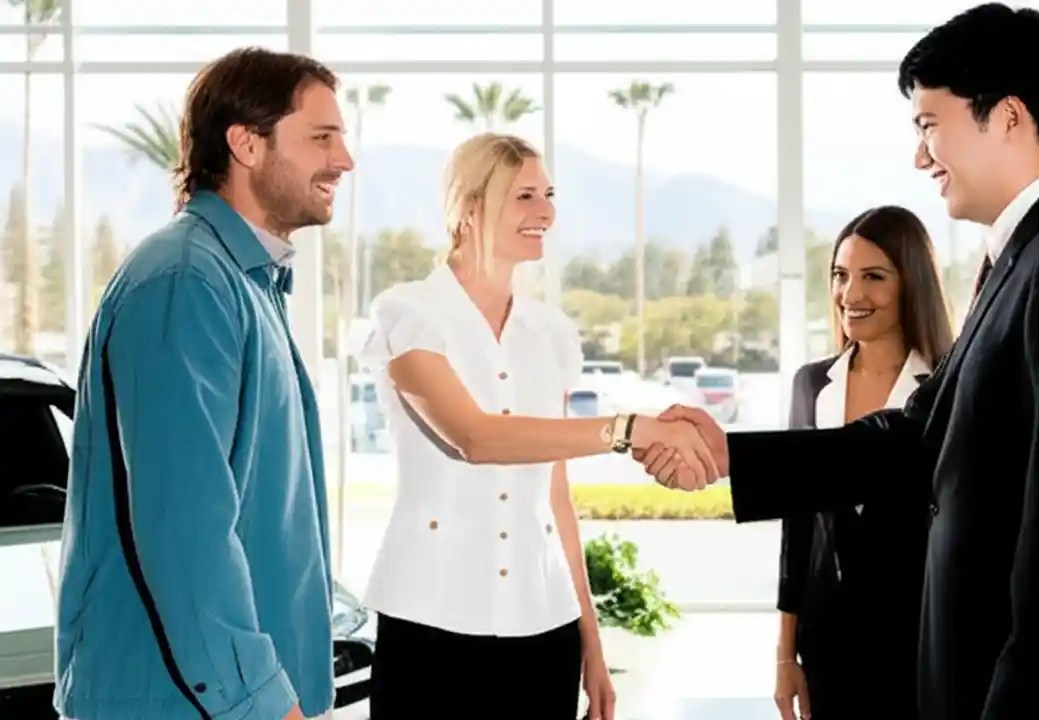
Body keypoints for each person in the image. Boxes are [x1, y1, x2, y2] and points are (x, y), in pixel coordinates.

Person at [641, 4, 1039, 719]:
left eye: (930, 125)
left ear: (1009, 116)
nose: (921, 158)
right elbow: (914, 438)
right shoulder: (1023, 258)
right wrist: (728, 456)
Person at [357, 133, 716, 720]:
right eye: (524, 195)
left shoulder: (550, 333)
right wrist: (631, 429)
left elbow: (555, 498)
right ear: (469, 207)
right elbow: (475, 438)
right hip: (430, 622)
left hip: (545, 628)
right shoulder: (409, 314)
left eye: (548, 195)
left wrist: (591, 644)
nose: (545, 211)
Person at [54, 48, 352, 720]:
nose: (344, 160)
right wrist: (260, 703)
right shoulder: (186, 282)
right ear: (246, 144)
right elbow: (185, 530)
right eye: (322, 137)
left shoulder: (243, 282)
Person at [769, 206, 953, 720]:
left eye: (873, 276)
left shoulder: (948, 388)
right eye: (840, 275)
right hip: (828, 646)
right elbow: (797, 528)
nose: (850, 294)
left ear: (911, 283)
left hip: (923, 648)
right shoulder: (811, 385)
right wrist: (785, 654)